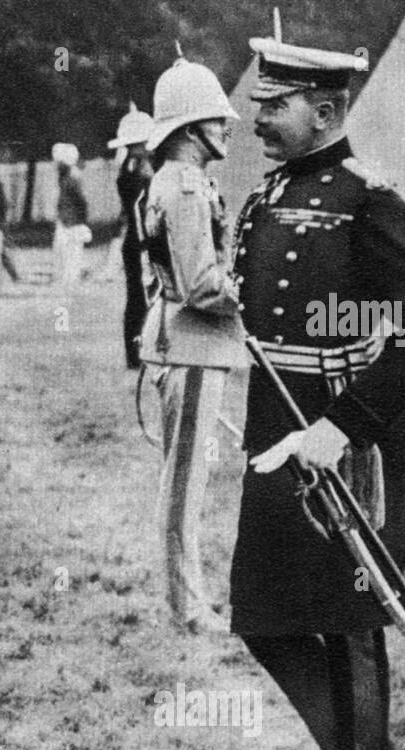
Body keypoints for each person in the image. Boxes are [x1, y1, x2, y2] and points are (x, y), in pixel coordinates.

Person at [231, 37, 405, 750]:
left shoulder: (370, 200)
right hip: (275, 424)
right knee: (263, 610)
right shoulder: (270, 195)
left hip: (346, 432)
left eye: (274, 105)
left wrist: (341, 426)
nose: (257, 118)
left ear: (324, 113)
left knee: (348, 617)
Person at [139, 59, 243, 636]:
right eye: (215, 119)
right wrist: (253, 295)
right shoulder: (181, 185)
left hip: (191, 345)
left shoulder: (187, 183)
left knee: (187, 481)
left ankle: (190, 599)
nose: (227, 128)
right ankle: (187, 607)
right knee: (184, 487)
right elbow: (202, 285)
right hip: (193, 345)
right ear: (188, 129)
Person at [109, 106, 154, 369]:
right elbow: (139, 211)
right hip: (139, 241)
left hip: (135, 239)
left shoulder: (131, 165)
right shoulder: (136, 169)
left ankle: (137, 351)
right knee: (139, 298)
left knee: (138, 297)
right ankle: (136, 353)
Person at [51, 141, 88, 291]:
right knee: (61, 250)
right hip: (65, 218)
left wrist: (80, 221)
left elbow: (81, 201)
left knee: (71, 250)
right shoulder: (64, 176)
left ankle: (70, 280)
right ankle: (63, 278)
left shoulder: (73, 177)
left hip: (72, 220)